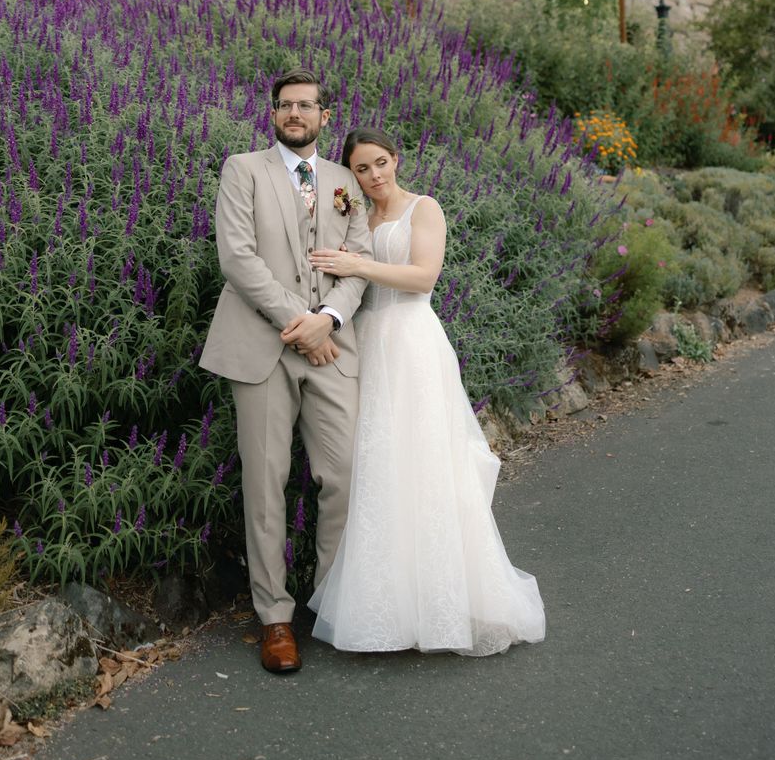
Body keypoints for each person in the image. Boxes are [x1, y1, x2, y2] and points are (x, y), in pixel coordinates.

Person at [305, 127, 546, 656]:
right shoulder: (354, 215)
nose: (374, 175)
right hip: (365, 341)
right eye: (362, 168)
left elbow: (423, 277)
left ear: (396, 160)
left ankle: (440, 602)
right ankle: (383, 604)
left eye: (381, 163)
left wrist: (357, 264)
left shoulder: (424, 208)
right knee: (376, 465)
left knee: (424, 464)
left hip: (412, 343)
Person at [198, 68, 373, 673]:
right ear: (272, 114)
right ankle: (275, 618)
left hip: (330, 350)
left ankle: (330, 602)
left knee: (344, 474)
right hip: (263, 349)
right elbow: (237, 258)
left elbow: (361, 262)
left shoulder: (346, 181)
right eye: (285, 105)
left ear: (326, 116)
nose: (295, 113)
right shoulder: (242, 170)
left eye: (307, 105)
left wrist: (330, 317)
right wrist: (303, 321)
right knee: (266, 486)